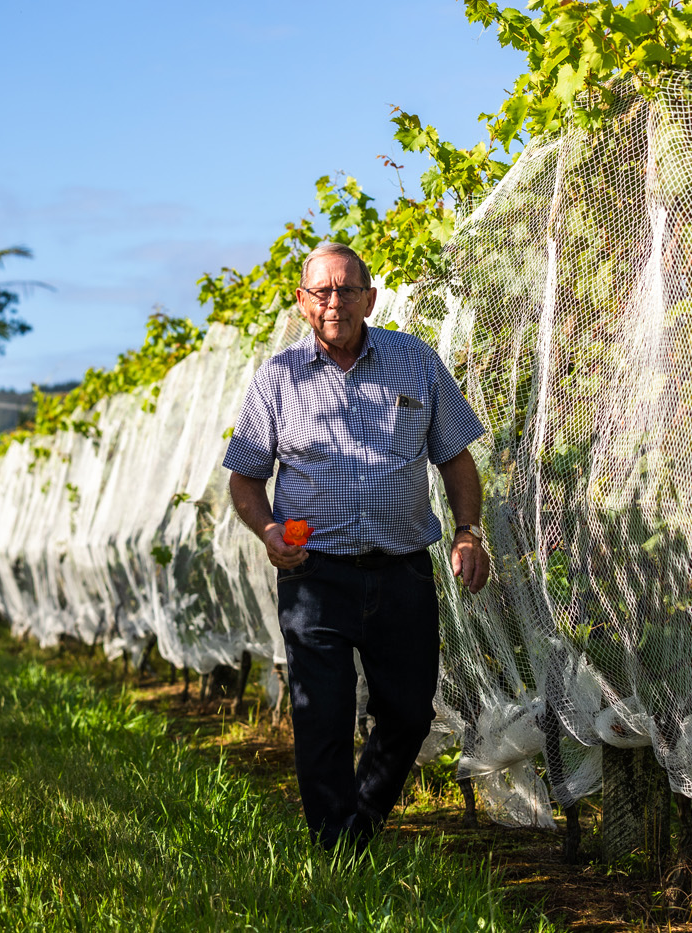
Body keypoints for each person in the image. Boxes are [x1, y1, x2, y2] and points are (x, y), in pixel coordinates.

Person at [223, 241, 490, 852]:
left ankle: (355, 827)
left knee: (408, 714)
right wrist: (270, 533)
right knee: (322, 716)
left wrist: (468, 532)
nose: (334, 301)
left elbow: (455, 457)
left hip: (402, 571)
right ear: (302, 302)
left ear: (370, 297)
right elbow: (246, 475)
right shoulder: (278, 379)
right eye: (321, 291)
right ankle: (335, 850)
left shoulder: (414, 361)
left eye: (346, 289)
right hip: (312, 570)